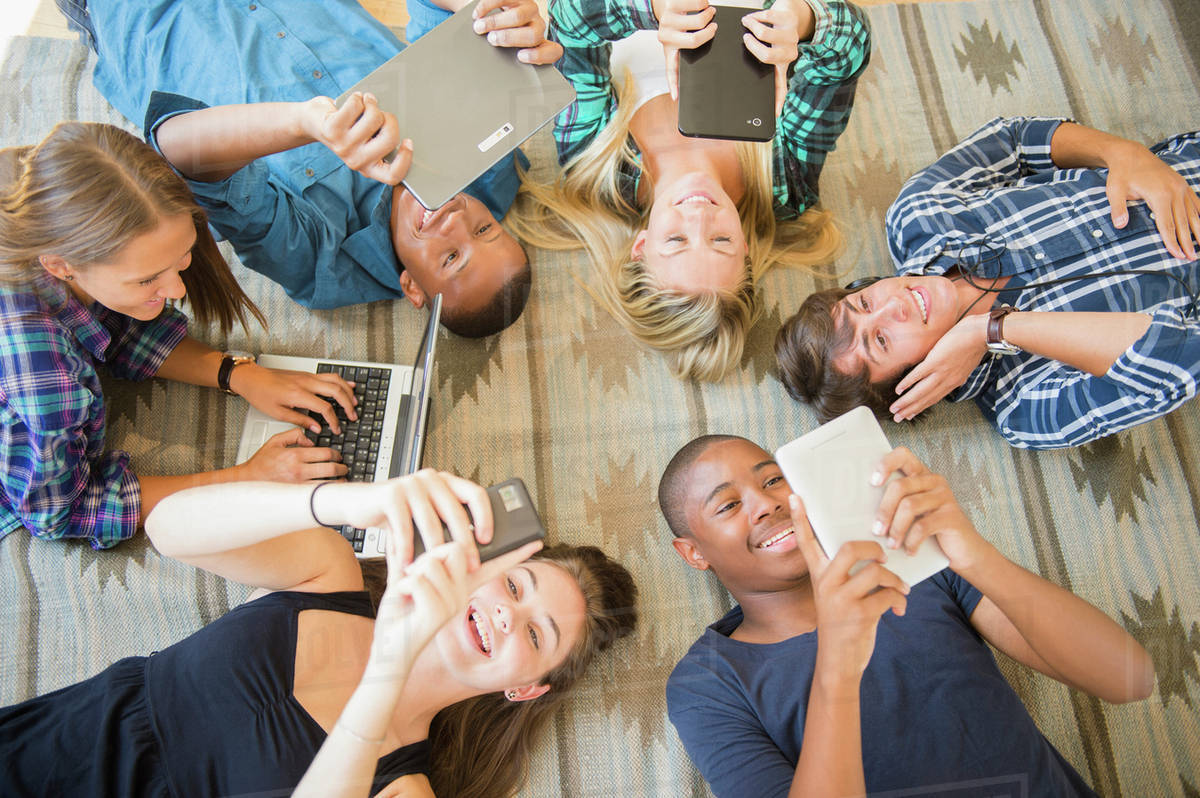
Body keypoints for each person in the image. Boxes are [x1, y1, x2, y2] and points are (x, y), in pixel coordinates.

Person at [0, 470, 638, 798]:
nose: (507, 615)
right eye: (516, 586)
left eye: (535, 636)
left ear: (525, 689)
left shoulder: (404, 790)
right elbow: (168, 528)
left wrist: (389, 668)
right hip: (38, 752)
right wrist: (342, 503)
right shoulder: (327, 572)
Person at [657, 434, 1153, 797]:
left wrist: (972, 553)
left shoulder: (912, 563)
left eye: (773, 479)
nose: (767, 503)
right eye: (727, 506)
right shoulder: (708, 683)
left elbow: (1131, 678)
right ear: (693, 553)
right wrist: (838, 658)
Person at [64, 0, 564, 338]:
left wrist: (307, 123)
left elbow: (180, 153)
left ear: (412, 287)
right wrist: (488, 13)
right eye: (484, 228)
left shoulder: (321, 263)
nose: (456, 219)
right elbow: (436, 14)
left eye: (450, 257)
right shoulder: (492, 167)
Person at [0, 122, 359, 549]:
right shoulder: (43, 379)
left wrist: (239, 374)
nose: (177, 291)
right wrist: (245, 479)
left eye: (182, 257)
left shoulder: (47, 195)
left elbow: (118, 331)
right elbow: (62, 511)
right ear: (60, 266)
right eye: (147, 279)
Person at [775, 117, 1200, 449]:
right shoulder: (1025, 407)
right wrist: (993, 329)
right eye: (882, 340)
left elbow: (1015, 140)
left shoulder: (919, 215)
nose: (894, 307)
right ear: (914, 385)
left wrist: (1124, 153)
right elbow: (1178, 363)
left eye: (864, 303)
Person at [509, 0, 866, 380]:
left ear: (641, 246)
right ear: (744, 245)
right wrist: (803, 21)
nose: (699, 216)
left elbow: (569, 22)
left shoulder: (594, 165)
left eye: (677, 239)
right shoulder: (783, 182)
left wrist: (654, 8)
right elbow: (850, 49)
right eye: (721, 240)